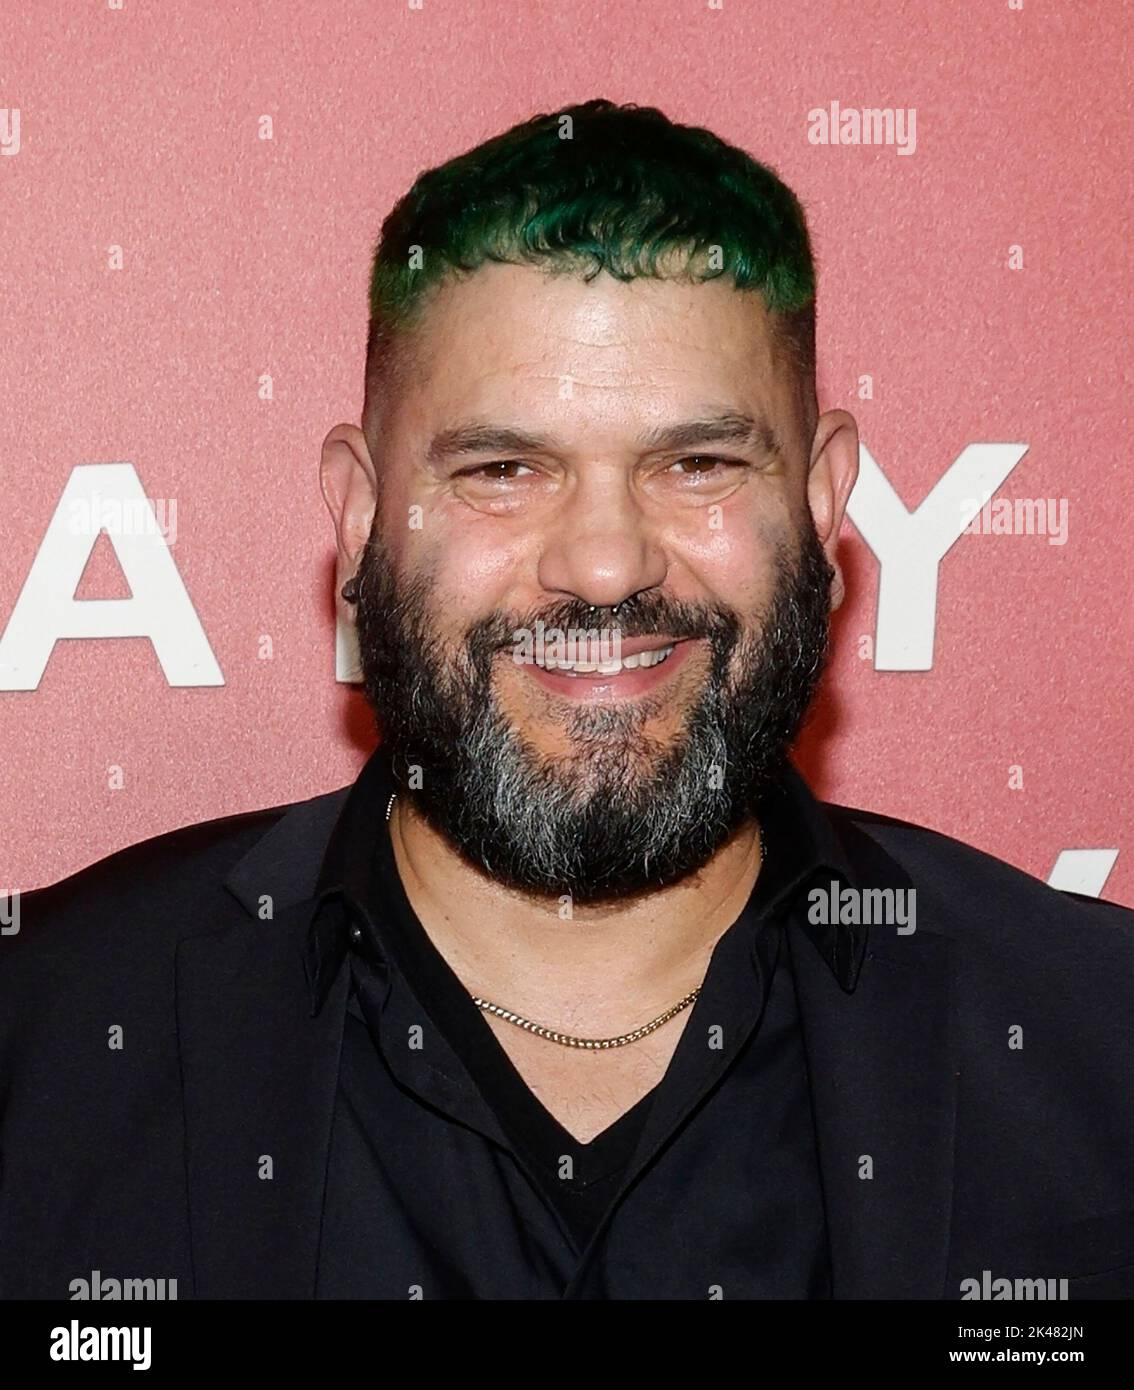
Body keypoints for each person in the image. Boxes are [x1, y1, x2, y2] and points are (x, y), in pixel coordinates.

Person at [2, 99, 1131, 1301]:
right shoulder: (38, 1045)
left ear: (820, 499)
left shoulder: (1099, 1049)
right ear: (361, 512)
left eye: (696, 464)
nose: (606, 564)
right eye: (502, 470)